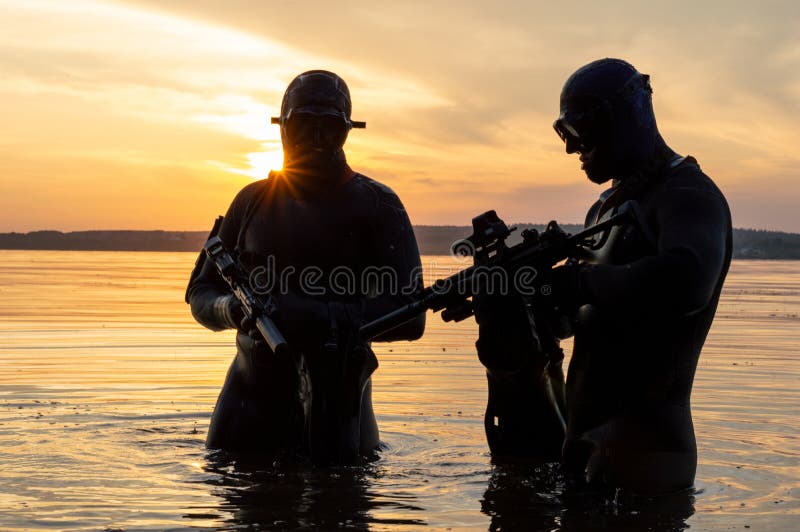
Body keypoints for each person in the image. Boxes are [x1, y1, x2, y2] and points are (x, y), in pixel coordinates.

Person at [476, 58, 732, 494]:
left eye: (577, 132)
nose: (571, 149)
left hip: (648, 458)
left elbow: (688, 281)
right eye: (565, 135)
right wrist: (525, 302)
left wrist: (579, 281)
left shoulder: (688, 194)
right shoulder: (607, 208)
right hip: (582, 454)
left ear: (620, 119)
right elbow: (582, 320)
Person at [186, 70, 425, 464]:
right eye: (303, 126)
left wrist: (320, 316)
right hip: (249, 401)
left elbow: (411, 316)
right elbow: (201, 293)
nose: (316, 141)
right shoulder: (250, 203)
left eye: (329, 129)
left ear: (347, 131)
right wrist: (233, 310)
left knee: (342, 508)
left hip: (342, 404)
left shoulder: (380, 207)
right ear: (283, 128)